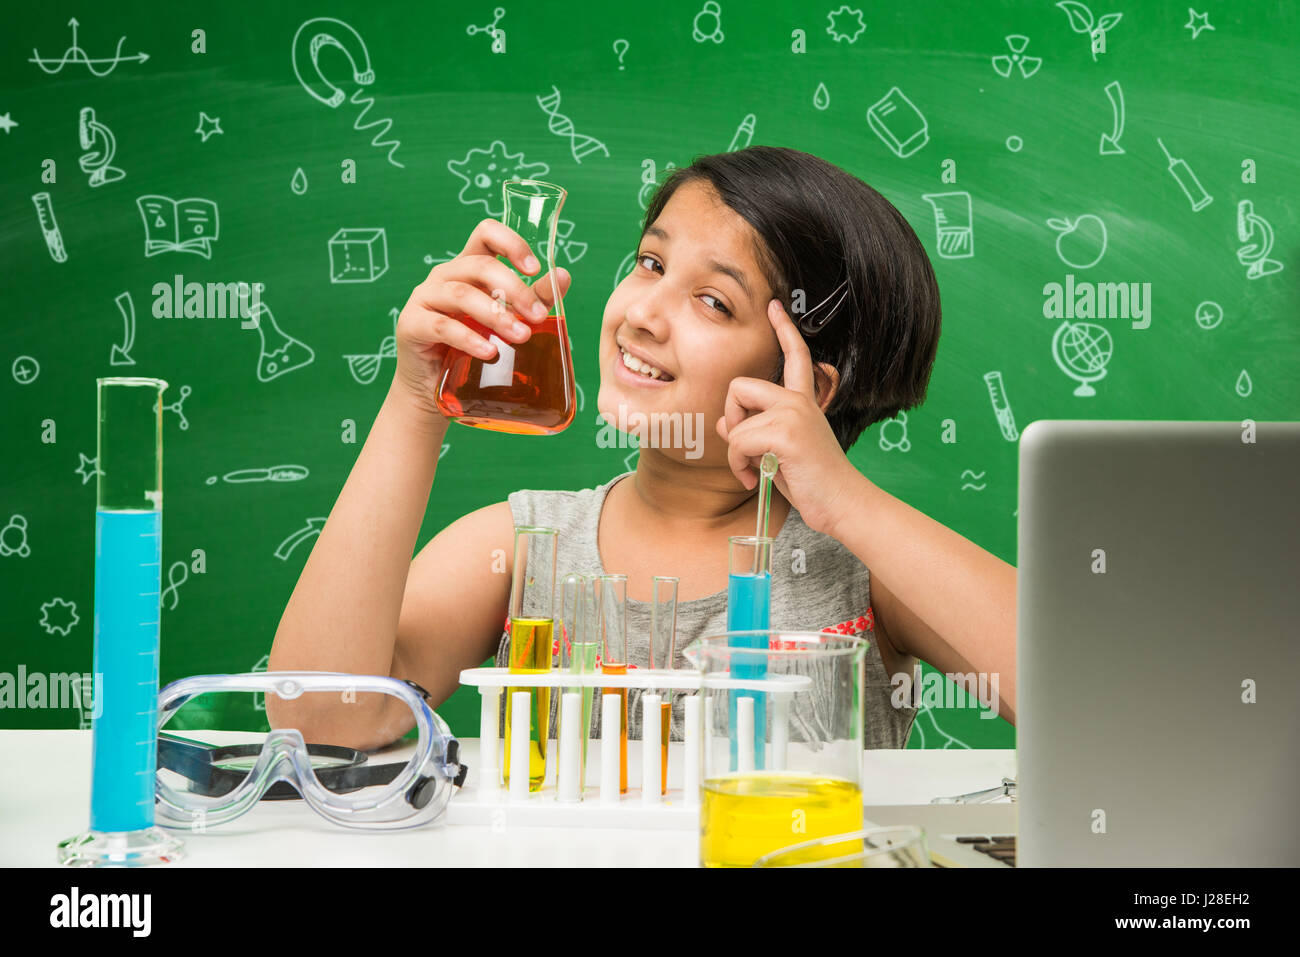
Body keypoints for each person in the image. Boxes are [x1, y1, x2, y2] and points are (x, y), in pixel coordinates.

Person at [268, 145, 1016, 752]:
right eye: (651, 263)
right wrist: (413, 403)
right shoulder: (526, 548)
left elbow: (1094, 697)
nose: (645, 313)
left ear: (807, 385)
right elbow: (324, 719)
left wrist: (849, 503)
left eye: (713, 301)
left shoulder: (861, 574)